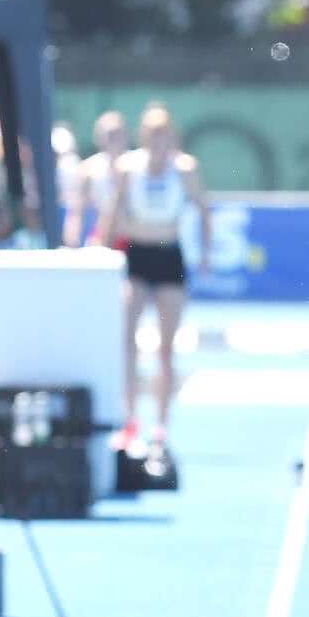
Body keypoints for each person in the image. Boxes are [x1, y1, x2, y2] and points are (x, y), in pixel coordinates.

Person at [99, 104, 209, 452]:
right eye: (152, 135)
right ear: (144, 137)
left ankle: (161, 425)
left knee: (166, 347)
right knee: (127, 339)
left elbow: (204, 209)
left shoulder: (185, 169)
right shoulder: (129, 168)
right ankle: (130, 418)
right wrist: (104, 248)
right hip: (138, 255)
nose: (159, 142)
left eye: (164, 135)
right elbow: (113, 212)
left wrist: (205, 252)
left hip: (169, 256)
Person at [68, 110, 128, 247]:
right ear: (98, 137)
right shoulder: (88, 170)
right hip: (102, 237)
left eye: (117, 133)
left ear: (125, 135)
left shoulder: (136, 166)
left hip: (133, 237)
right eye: (109, 135)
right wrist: (72, 242)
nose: (114, 139)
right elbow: (77, 211)